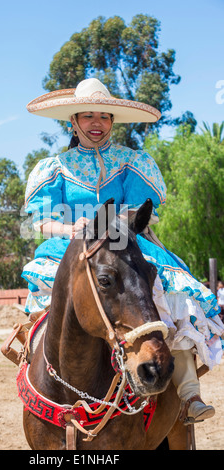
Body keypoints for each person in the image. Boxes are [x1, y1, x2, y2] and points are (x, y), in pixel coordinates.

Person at [21, 78, 224, 423]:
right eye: (87, 116)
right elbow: (40, 221)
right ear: (73, 121)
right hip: (69, 246)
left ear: (113, 121)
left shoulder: (132, 162)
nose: (96, 123)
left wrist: (116, 224)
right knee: (48, 306)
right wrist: (69, 228)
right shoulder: (54, 167)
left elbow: (142, 214)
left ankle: (188, 394)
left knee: (167, 299)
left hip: (123, 242)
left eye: (104, 116)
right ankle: (36, 367)